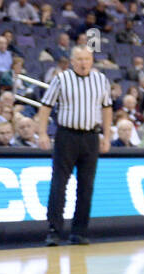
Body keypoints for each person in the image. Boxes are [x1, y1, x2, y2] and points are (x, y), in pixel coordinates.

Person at [34, 46, 113, 246]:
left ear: (92, 60)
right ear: (72, 61)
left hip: (91, 137)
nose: (83, 62)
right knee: (59, 183)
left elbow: (107, 109)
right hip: (66, 135)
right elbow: (45, 107)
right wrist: (42, 133)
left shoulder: (101, 80)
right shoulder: (61, 79)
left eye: (87, 59)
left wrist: (107, 137)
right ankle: (54, 231)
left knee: (86, 186)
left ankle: (80, 231)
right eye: (79, 59)